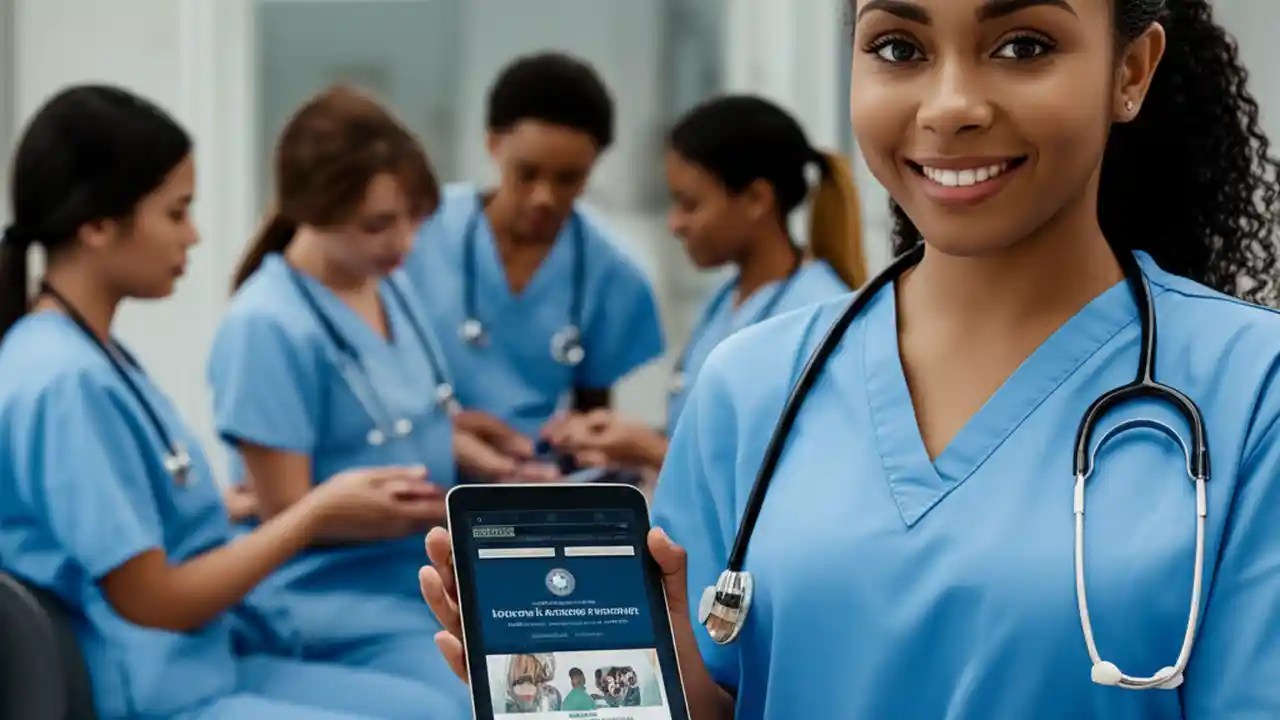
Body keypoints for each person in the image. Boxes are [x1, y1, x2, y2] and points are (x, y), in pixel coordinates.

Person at [422, 1, 1280, 718]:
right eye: (898, 47)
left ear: (1130, 71)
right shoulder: (752, 385)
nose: (949, 105)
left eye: (1023, 45)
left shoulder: (1252, 392)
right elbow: (723, 699)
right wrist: (612, 689)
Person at [0, 85, 459, 720]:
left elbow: (125, 519)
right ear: (99, 225)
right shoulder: (61, 380)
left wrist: (219, 508)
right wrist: (312, 513)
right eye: (176, 212)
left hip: (207, 658)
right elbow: (153, 600)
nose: (194, 236)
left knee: (443, 709)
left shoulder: (92, 355)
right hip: (153, 689)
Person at [209, 85, 538, 716]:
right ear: (312, 208)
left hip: (428, 574)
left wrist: (478, 454)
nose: (406, 242)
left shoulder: (388, 284)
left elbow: (396, 421)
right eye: (379, 225)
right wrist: (446, 509)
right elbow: (287, 518)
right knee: (487, 701)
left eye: (415, 217)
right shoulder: (266, 326)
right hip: (329, 601)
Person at [544, 94, 866, 473]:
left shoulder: (821, 316)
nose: (675, 224)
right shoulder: (726, 301)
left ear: (757, 199)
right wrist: (626, 442)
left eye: (690, 204)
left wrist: (650, 450)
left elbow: (793, 483)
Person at [402, 51, 665, 441]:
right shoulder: (416, 233)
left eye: (568, 179)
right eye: (526, 173)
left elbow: (592, 413)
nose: (544, 197)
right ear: (493, 144)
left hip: (536, 475)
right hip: (424, 462)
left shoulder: (612, 272)